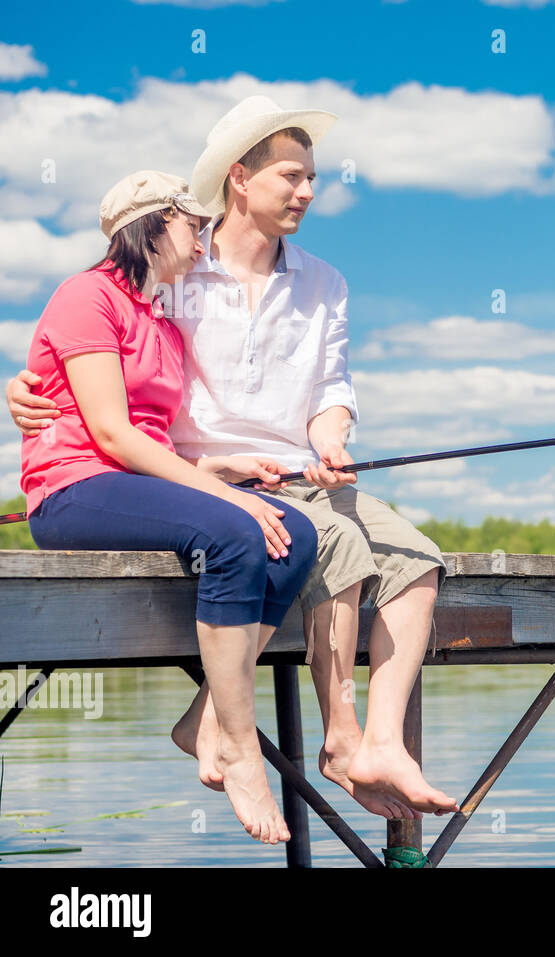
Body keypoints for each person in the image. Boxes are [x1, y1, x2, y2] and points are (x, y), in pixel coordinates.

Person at [8, 96, 459, 821]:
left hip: (283, 472)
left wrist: (330, 438)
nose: (309, 190)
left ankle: (377, 740)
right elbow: (96, 361)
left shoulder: (322, 283)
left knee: (417, 557)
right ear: (240, 178)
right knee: (318, 539)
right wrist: (23, 386)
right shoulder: (175, 273)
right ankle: (334, 736)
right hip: (186, 479)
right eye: (293, 175)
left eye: (313, 176)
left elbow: (331, 387)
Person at [20, 170, 318, 845]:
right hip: (70, 491)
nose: (203, 238)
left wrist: (216, 469)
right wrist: (213, 493)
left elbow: (150, 442)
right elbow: (110, 434)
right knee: (238, 530)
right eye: (192, 223)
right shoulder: (85, 295)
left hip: (127, 483)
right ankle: (243, 748)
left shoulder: (161, 321)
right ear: (151, 226)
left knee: (294, 534)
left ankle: (207, 715)